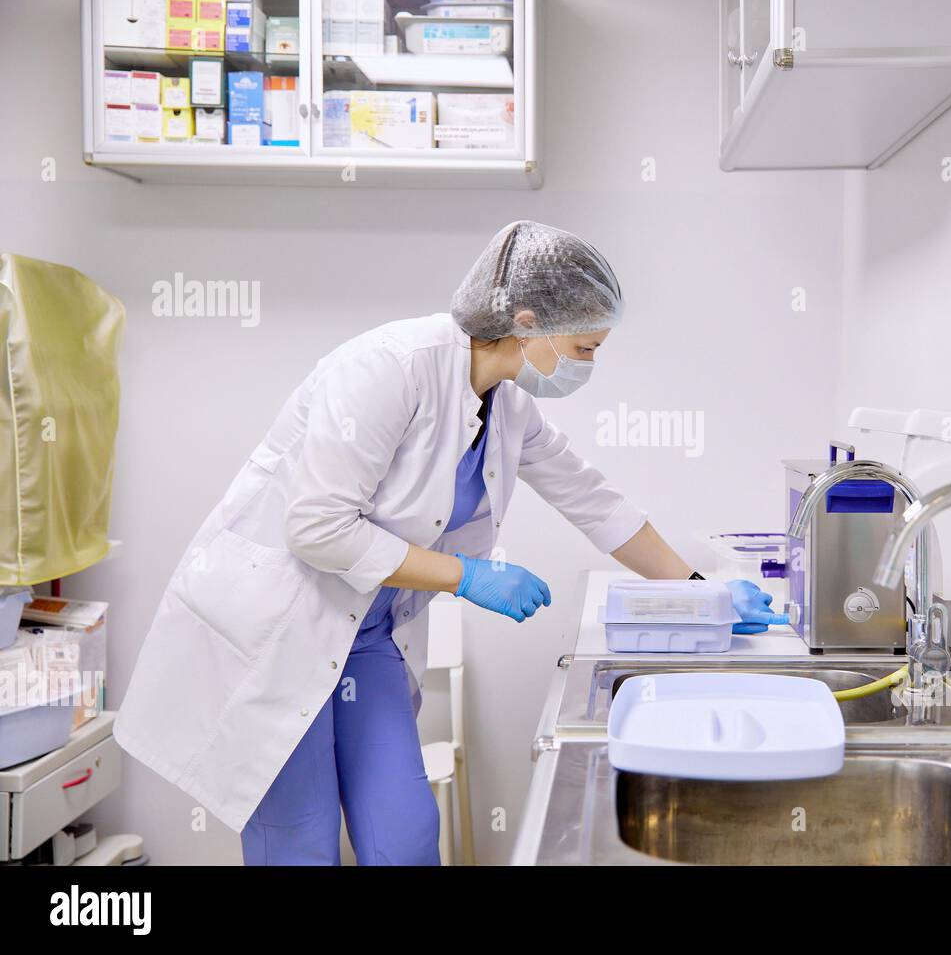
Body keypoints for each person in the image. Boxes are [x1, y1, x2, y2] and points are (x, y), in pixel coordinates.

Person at [114, 221, 787, 865]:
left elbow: (594, 500)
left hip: (366, 636)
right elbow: (315, 526)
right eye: (585, 349)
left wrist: (701, 595)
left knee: (403, 834)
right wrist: (466, 576)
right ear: (528, 324)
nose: (588, 366)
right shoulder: (390, 368)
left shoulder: (509, 402)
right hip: (279, 632)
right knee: (300, 841)